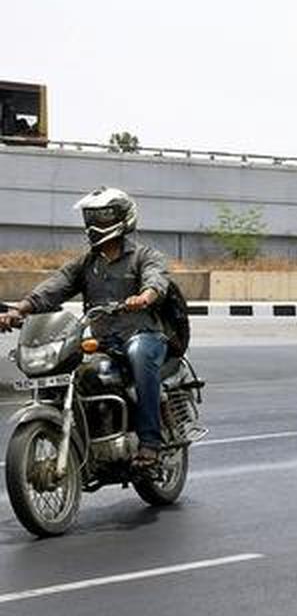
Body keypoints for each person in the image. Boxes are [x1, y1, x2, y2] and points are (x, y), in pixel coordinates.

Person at [0, 187, 172, 466]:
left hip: (141, 334)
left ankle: (150, 441)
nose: (95, 225)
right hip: (102, 339)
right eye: (91, 218)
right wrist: (20, 309)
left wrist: (145, 296)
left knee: (140, 355)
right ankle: (88, 434)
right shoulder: (85, 263)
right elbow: (54, 288)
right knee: (71, 368)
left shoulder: (144, 256)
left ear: (123, 218)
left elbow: (157, 280)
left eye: (103, 218)